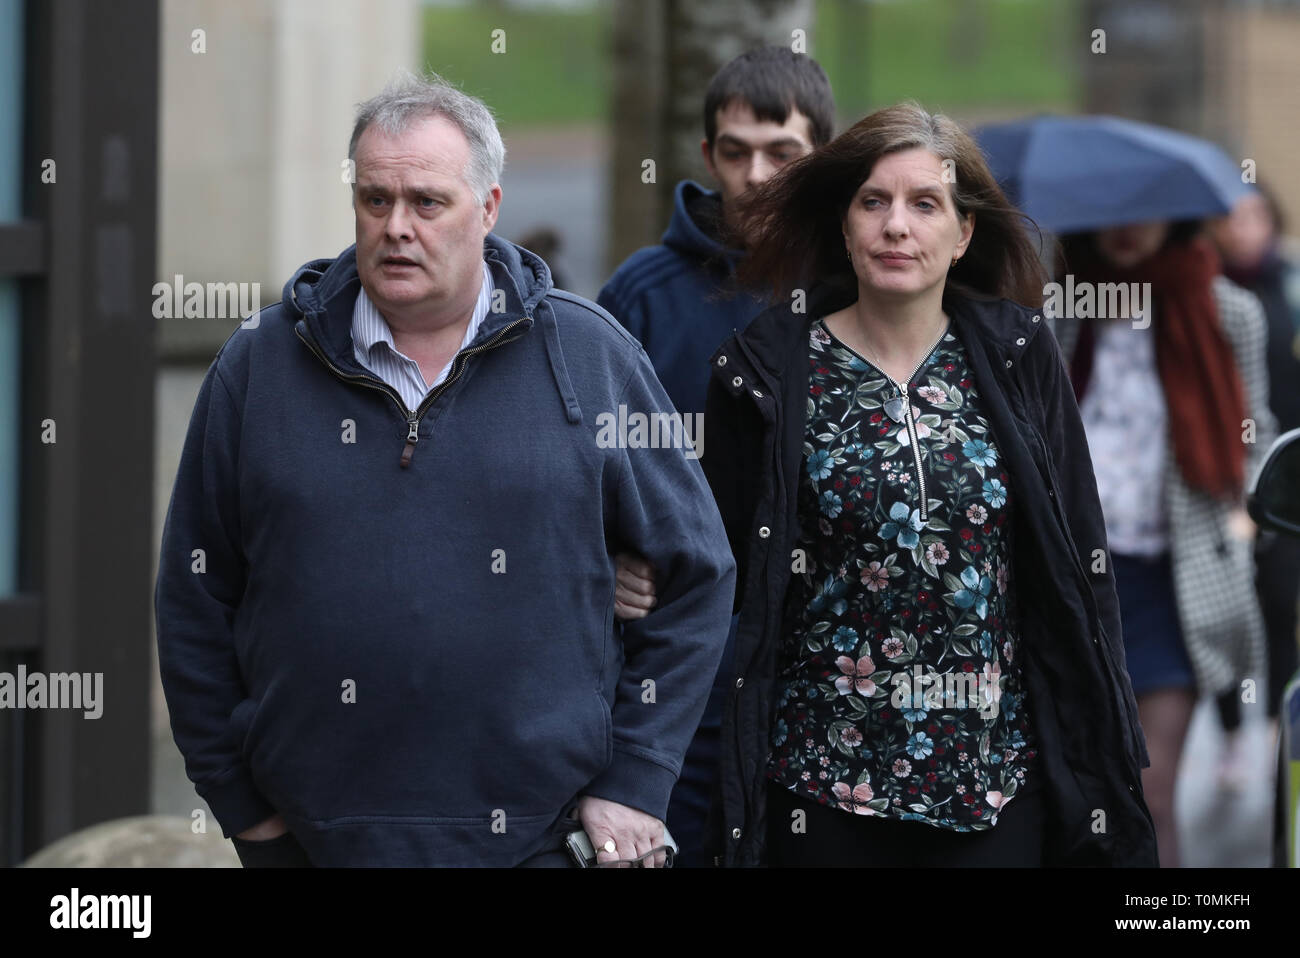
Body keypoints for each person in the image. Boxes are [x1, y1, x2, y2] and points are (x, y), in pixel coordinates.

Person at [154, 71, 735, 868]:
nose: (397, 227)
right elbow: (194, 594)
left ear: (487, 209)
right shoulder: (257, 369)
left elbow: (698, 574)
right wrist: (241, 806)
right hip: (314, 844)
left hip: (540, 843)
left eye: (427, 202)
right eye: (375, 199)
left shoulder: (592, 358)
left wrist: (637, 779)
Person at [700, 102, 1157, 866]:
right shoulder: (767, 373)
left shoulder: (1019, 354)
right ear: (844, 226)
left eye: (924, 204)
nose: (896, 227)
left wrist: (1102, 740)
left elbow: (1080, 557)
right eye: (872, 202)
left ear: (963, 232)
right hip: (822, 786)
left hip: (996, 782)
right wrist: (638, 574)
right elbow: (719, 564)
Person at [600, 45, 835, 866]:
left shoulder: (860, 286)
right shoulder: (641, 293)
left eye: (782, 153)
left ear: (822, 159)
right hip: (678, 684)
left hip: (828, 680)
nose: (756, 174)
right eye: (734, 151)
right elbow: (579, 466)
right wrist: (610, 558)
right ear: (707, 156)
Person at [1051, 218, 1275, 866]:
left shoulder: (1227, 309)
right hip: (1076, 578)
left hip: (1173, 583)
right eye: (1110, 216)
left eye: (1143, 215)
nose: (1125, 231)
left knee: (1150, 789)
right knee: (1077, 786)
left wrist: (1246, 518)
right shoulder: (1060, 305)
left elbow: (1253, 431)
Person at [1209, 185, 1300, 790]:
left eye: (1255, 216)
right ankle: (1231, 731)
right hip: (1223, 473)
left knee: (1281, 599)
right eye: (1231, 217)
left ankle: (1273, 725)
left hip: (1287, 470)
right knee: (1223, 608)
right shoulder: (1205, 294)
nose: (1243, 228)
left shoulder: (1290, 289)